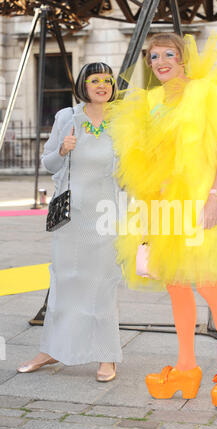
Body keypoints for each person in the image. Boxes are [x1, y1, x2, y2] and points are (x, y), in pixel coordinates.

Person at [108, 33, 217, 409]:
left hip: (197, 202)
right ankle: (186, 366)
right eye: (154, 56)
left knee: (208, 285)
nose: (160, 62)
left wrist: (214, 198)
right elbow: (144, 157)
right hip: (160, 207)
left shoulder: (205, 93)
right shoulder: (152, 100)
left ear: (183, 58)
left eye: (168, 54)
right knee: (175, 284)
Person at [17, 63, 122, 382]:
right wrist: (62, 149)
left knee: (103, 284)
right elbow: (48, 163)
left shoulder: (121, 122)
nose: (102, 85)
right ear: (83, 85)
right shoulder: (67, 117)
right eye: (95, 80)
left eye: (108, 80)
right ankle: (52, 349)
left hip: (106, 215)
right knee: (64, 282)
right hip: (70, 215)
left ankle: (107, 357)